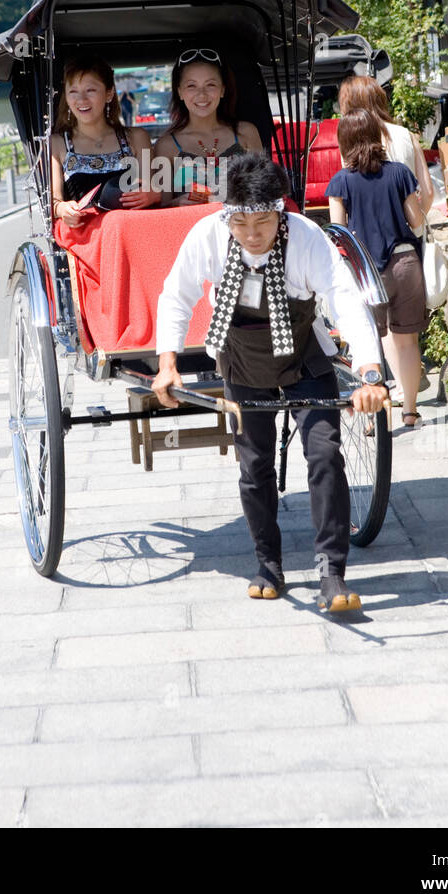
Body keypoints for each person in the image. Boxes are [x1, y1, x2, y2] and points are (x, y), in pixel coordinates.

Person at [152, 153, 387, 610]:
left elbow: (342, 297)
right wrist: (168, 363)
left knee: (324, 454)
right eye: (240, 223)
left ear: (281, 211)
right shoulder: (207, 236)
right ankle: (268, 563)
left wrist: (370, 371)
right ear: (226, 216)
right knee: (253, 465)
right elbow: (176, 295)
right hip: (241, 358)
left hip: (304, 356)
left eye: (263, 220)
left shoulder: (304, 235)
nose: (253, 233)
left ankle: (331, 571)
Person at [326, 108, 427, 429]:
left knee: (367, 340)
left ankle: (373, 420)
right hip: (405, 264)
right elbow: (418, 221)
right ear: (379, 137)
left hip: (365, 271)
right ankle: (410, 412)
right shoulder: (399, 173)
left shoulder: (340, 182)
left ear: (344, 143)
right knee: (407, 340)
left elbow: (337, 233)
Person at [50, 54, 158, 227]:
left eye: (90, 90)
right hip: (84, 239)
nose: (82, 100)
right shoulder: (56, 144)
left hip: (130, 231)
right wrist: (63, 209)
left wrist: (150, 194)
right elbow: (54, 202)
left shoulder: (137, 138)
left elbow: (152, 190)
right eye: (73, 92)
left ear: (109, 94)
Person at [151, 48, 263, 205]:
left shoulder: (246, 133)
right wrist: (177, 203)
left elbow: (266, 191)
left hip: (242, 227)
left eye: (210, 85)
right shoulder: (166, 145)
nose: (202, 94)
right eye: (191, 86)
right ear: (180, 92)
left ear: (223, 90)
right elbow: (160, 207)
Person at [337, 75, 434, 214]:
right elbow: (428, 192)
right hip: (408, 230)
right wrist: (416, 225)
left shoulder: (350, 140)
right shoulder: (406, 134)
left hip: (368, 230)